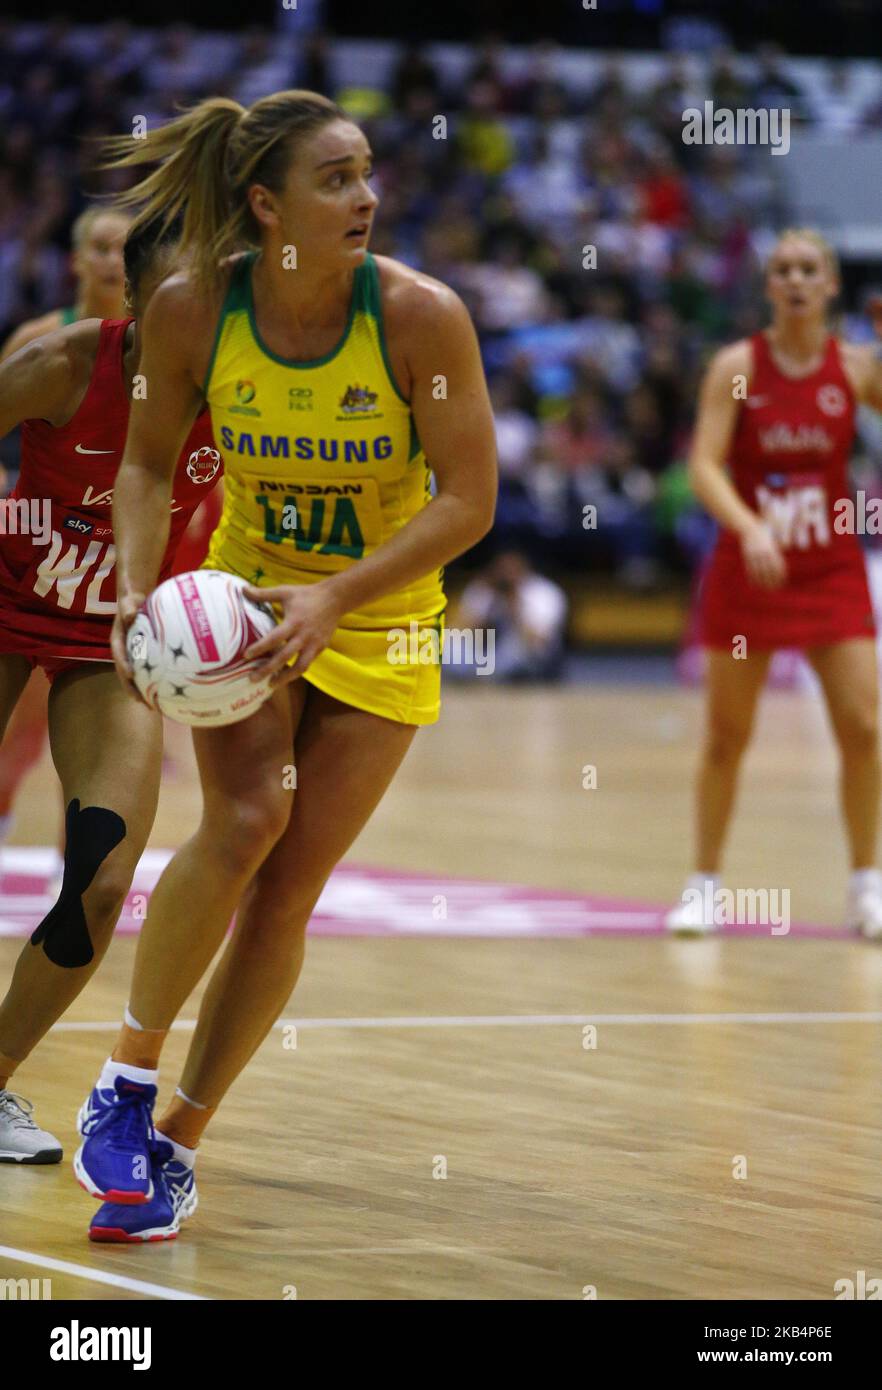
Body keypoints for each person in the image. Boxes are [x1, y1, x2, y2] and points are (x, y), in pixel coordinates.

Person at [73, 90, 497, 1243]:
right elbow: (149, 464)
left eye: (367, 175)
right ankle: (122, 1080)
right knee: (247, 815)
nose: (366, 197)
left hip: (384, 614)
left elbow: (470, 498)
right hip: (252, 595)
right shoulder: (190, 309)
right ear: (267, 205)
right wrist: (131, 587)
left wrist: (340, 598)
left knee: (289, 887)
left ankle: (174, 1146)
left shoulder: (421, 317)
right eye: (337, 178)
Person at [0, 216, 222, 1163]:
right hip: (4, 601)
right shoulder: (61, 363)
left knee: (100, 884)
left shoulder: (249, 397)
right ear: (135, 305)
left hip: (112, 644)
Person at [666, 229, 882, 937]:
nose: (794, 279)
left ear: (830, 286)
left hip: (830, 568)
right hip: (749, 572)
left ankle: (865, 884)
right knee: (728, 737)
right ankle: (703, 882)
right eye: (782, 269)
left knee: (865, 727)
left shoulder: (855, 369)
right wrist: (750, 526)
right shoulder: (737, 366)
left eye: (808, 269)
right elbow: (703, 464)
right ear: (768, 286)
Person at [0, 205, 131, 870]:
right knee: (22, 734)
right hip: (39, 552)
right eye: (102, 247)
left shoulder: (161, 357)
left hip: (113, 566)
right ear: (77, 260)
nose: (114, 260)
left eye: (125, 249)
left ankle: (70, 886)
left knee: (90, 753)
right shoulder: (43, 339)